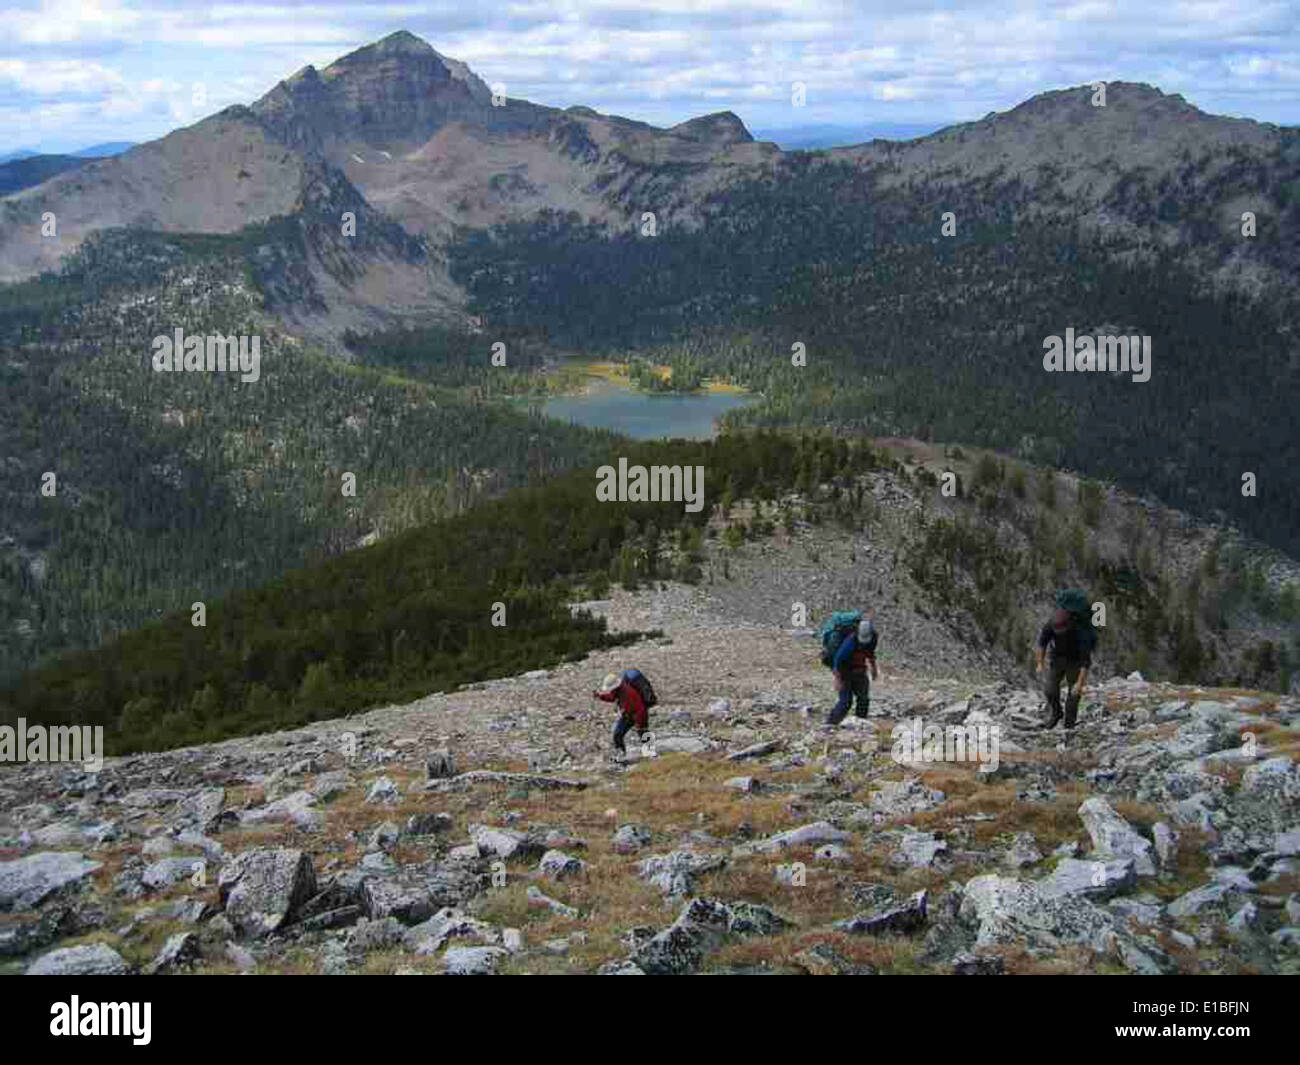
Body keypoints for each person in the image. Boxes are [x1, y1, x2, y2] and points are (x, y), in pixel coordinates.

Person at [1036, 607, 1094, 729]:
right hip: (1057, 658)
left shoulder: (1081, 632)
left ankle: (1069, 727)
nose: (1059, 632)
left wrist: (1079, 683)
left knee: (1073, 695)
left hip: (1076, 660)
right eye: (1057, 630)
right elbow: (1042, 644)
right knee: (1050, 690)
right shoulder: (1050, 625)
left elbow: (1085, 662)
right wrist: (1040, 663)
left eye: (1062, 630)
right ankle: (1057, 713)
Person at [827, 614, 879, 726]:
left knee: (864, 699)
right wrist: (838, 680)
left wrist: (874, 669)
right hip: (845, 672)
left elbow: (870, 653)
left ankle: (860, 722)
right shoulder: (850, 641)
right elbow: (837, 661)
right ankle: (830, 724)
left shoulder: (873, 638)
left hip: (860, 670)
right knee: (846, 701)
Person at [594, 671, 649, 761]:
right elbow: (612, 697)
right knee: (617, 734)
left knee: (643, 733)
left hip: (639, 715)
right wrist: (600, 696)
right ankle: (621, 755)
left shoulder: (629, 693)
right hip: (629, 715)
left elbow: (635, 708)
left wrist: (639, 724)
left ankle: (650, 753)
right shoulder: (618, 690)